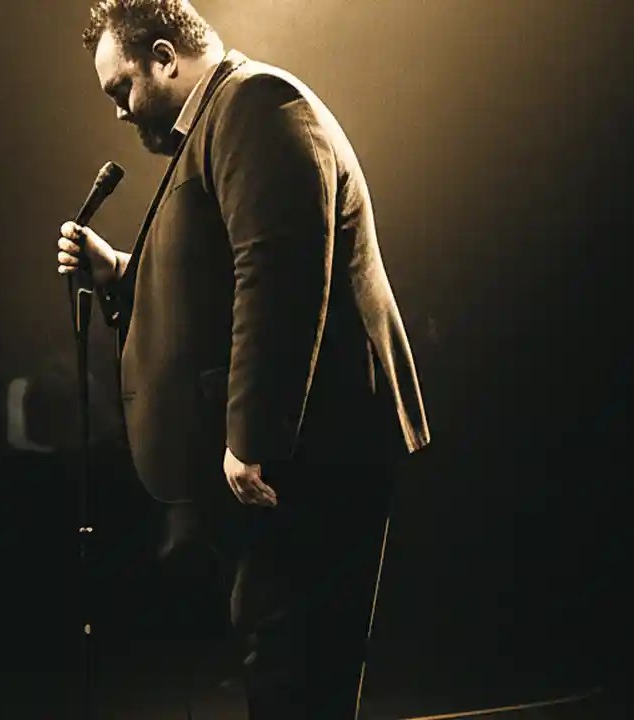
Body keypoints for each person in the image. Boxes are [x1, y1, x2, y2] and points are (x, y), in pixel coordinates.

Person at [56, 2, 431, 718]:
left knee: (297, 669)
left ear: (165, 57)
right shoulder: (221, 122)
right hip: (297, 450)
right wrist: (119, 272)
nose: (120, 114)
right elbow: (217, 271)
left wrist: (252, 436)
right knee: (283, 661)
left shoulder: (259, 104)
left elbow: (279, 270)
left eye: (121, 89)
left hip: (312, 450)